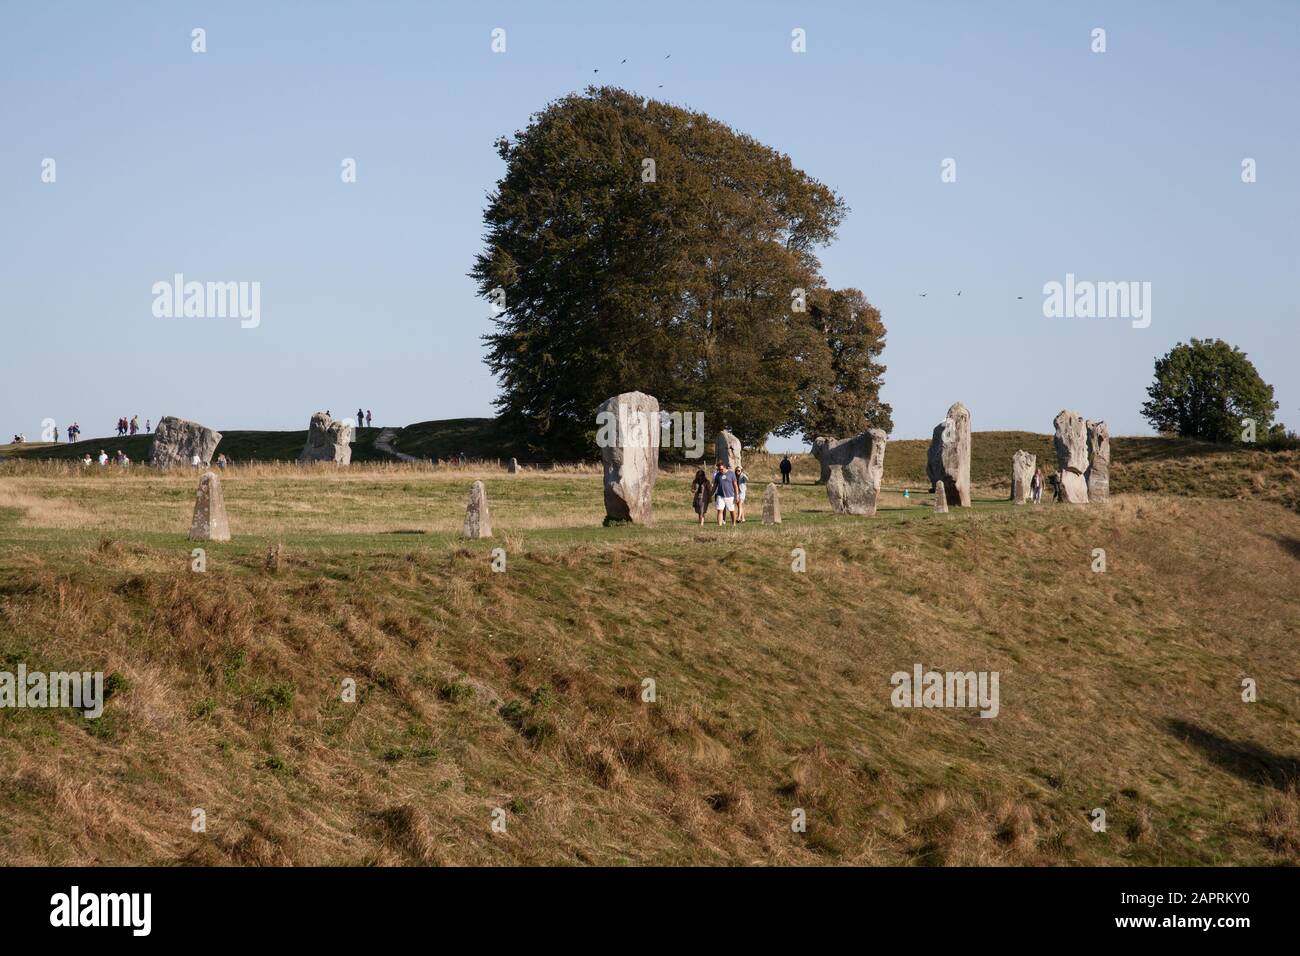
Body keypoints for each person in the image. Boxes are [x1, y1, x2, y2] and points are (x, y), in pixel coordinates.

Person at [712, 461, 738, 526]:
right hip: (720, 495)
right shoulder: (718, 475)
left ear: (725, 467)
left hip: (730, 496)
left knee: (732, 510)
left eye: (721, 469)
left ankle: (733, 524)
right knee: (719, 510)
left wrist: (737, 495)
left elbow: (735, 485)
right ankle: (719, 525)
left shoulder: (731, 474)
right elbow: (715, 486)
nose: (720, 470)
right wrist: (711, 494)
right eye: (719, 469)